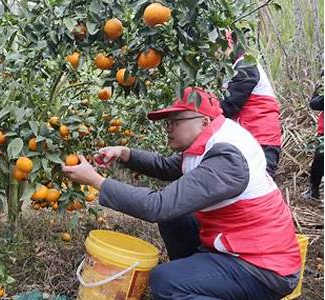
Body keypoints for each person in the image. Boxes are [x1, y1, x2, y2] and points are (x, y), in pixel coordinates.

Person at [62, 87, 301, 300]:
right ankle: (196, 278)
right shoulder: (207, 142)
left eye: (175, 121)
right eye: (167, 122)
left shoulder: (228, 158)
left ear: (204, 122)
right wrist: (124, 153)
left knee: (165, 282)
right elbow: (168, 167)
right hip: (235, 246)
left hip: (263, 268)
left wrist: (95, 181)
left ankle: (189, 285)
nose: (168, 128)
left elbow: (157, 206)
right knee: (175, 218)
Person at [220, 33, 282, 178]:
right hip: (250, 137)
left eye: (218, 47)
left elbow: (230, 105)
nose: (215, 53)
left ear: (229, 44)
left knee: (262, 184)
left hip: (261, 138)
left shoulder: (246, 65)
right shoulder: (235, 67)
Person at [303, 80, 323, 200]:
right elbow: (314, 103)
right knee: (319, 161)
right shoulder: (322, 84)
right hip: (324, 132)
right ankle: (313, 190)